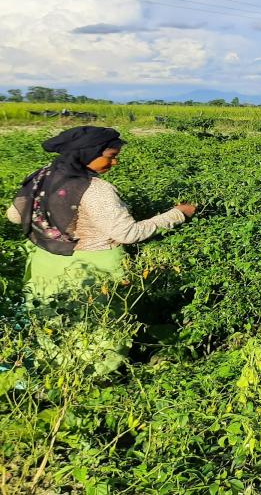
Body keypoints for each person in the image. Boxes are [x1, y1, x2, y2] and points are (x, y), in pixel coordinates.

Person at [5, 126, 195, 376]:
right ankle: (98, 379)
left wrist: (55, 225)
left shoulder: (42, 176)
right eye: (110, 156)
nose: (114, 162)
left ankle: (56, 375)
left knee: (53, 320)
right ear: (86, 153)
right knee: (101, 326)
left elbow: (14, 216)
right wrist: (177, 214)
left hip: (45, 264)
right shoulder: (95, 190)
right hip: (94, 268)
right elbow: (127, 233)